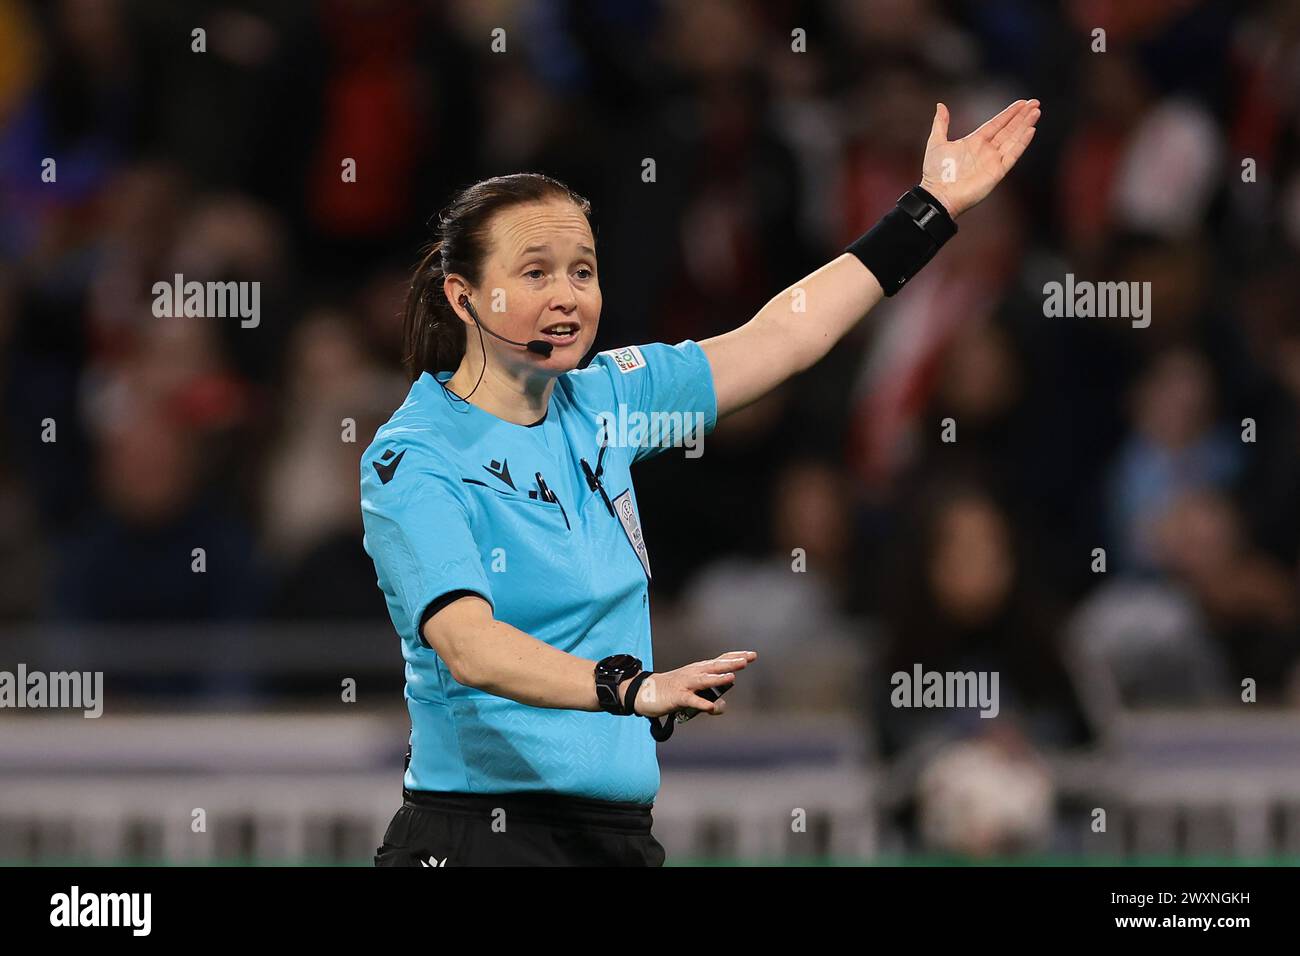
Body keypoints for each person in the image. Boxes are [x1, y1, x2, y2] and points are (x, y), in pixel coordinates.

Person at [363, 97, 1041, 866]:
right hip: (478, 838)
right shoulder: (414, 455)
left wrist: (931, 209)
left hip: (616, 839)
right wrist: (630, 688)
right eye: (536, 272)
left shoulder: (606, 403)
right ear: (464, 296)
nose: (568, 296)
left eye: (582, 271)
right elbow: (470, 647)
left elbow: (784, 333)